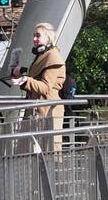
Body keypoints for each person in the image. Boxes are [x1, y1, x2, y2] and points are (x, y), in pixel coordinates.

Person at [10, 22, 66, 152]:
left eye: (38, 36)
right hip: (36, 109)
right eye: (34, 35)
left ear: (48, 38)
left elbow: (45, 87)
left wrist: (26, 80)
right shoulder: (42, 56)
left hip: (47, 111)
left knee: (49, 154)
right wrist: (19, 76)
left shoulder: (52, 57)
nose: (34, 39)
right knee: (28, 152)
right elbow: (35, 83)